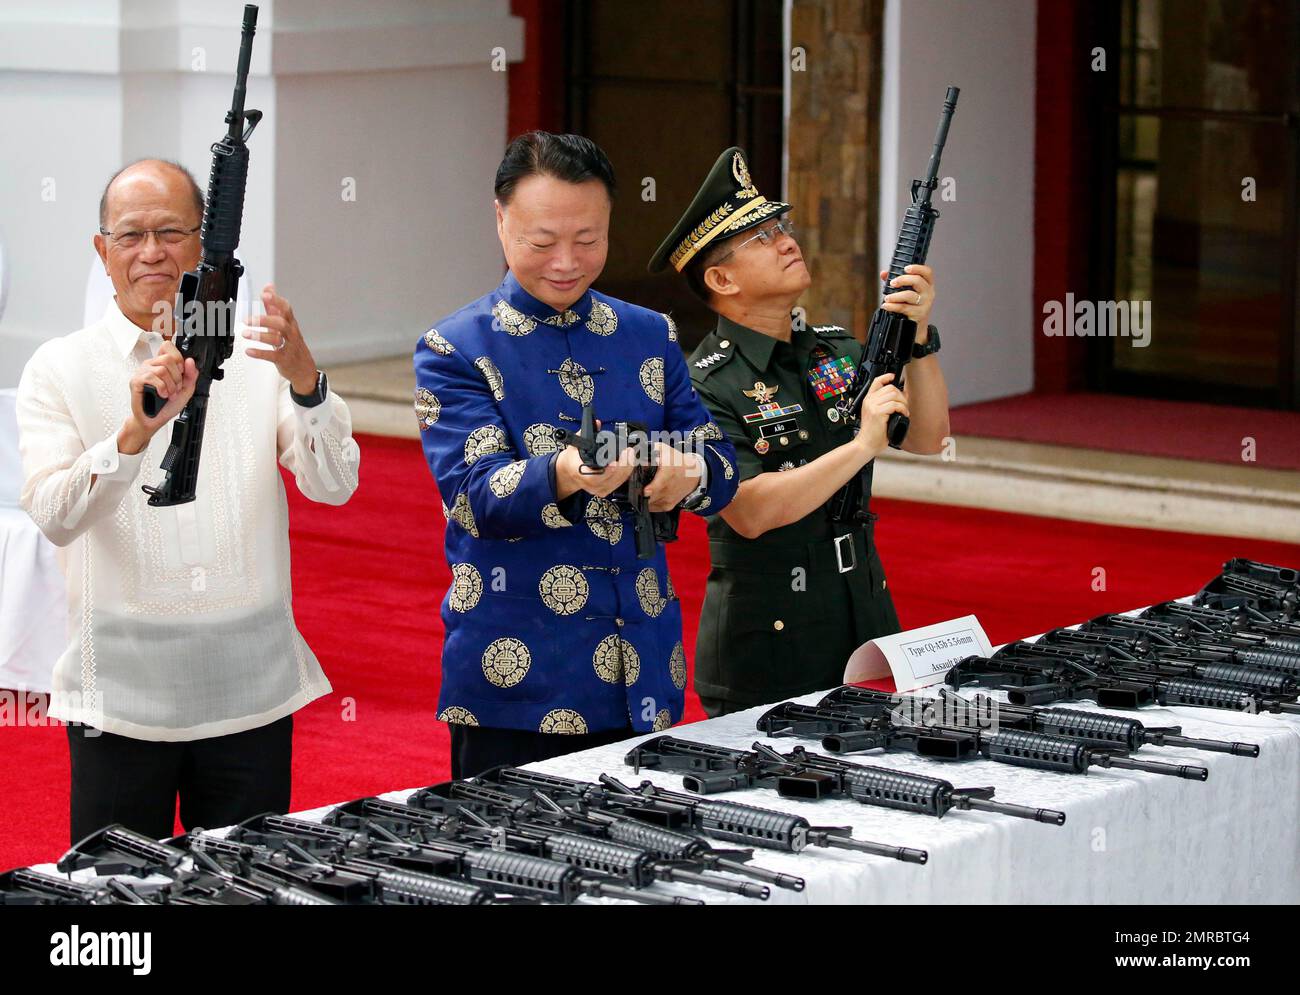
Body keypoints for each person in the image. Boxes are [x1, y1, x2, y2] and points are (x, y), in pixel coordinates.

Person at [16, 159, 360, 843]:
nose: (151, 252)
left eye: (171, 231)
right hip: (120, 697)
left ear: (205, 246)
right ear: (101, 250)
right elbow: (53, 515)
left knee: (246, 886)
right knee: (117, 904)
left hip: (249, 693)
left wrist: (305, 380)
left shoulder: (259, 357)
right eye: (131, 235)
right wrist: (133, 433)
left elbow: (336, 482)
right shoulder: (58, 367)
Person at [415, 132, 739, 779]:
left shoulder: (650, 334)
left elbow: (721, 463)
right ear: (501, 221)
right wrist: (567, 471)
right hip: (516, 686)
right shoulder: (454, 349)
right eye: (543, 242)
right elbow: (477, 495)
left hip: (642, 668)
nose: (566, 260)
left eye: (588, 240)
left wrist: (689, 470)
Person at [648, 147, 951, 716]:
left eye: (781, 226)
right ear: (721, 278)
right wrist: (862, 446)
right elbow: (750, 510)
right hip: (770, 636)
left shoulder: (832, 349)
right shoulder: (703, 384)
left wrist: (921, 335)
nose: (787, 240)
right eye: (760, 238)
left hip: (863, 606)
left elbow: (928, 437)